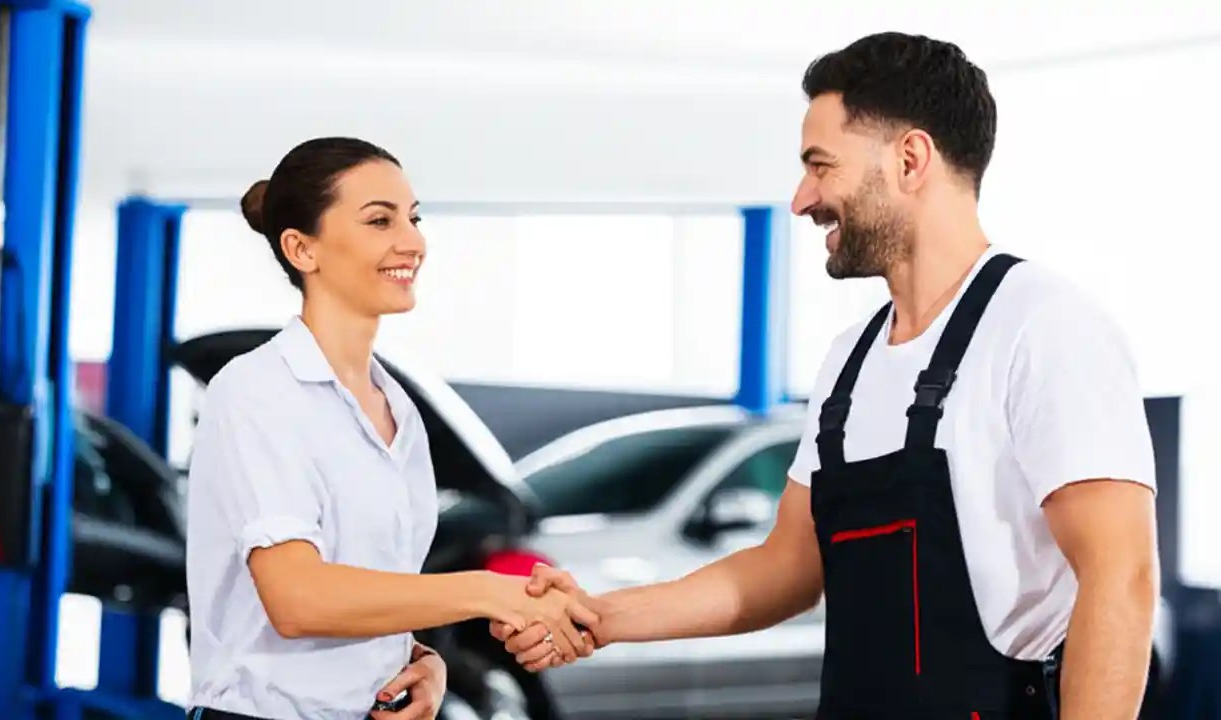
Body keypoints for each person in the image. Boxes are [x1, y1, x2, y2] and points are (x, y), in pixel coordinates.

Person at [492, 32, 1159, 720]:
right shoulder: (850, 359)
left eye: (821, 165)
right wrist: (600, 615)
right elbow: (784, 568)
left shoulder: (1043, 326)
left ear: (909, 159)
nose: (802, 198)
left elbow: (1121, 577)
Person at [184, 137, 597, 720]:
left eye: (414, 217)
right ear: (302, 249)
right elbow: (298, 599)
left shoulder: (398, 410)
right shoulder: (256, 390)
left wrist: (420, 656)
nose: (413, 241)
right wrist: (488, 592)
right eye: (381, 220)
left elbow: (372, 589)